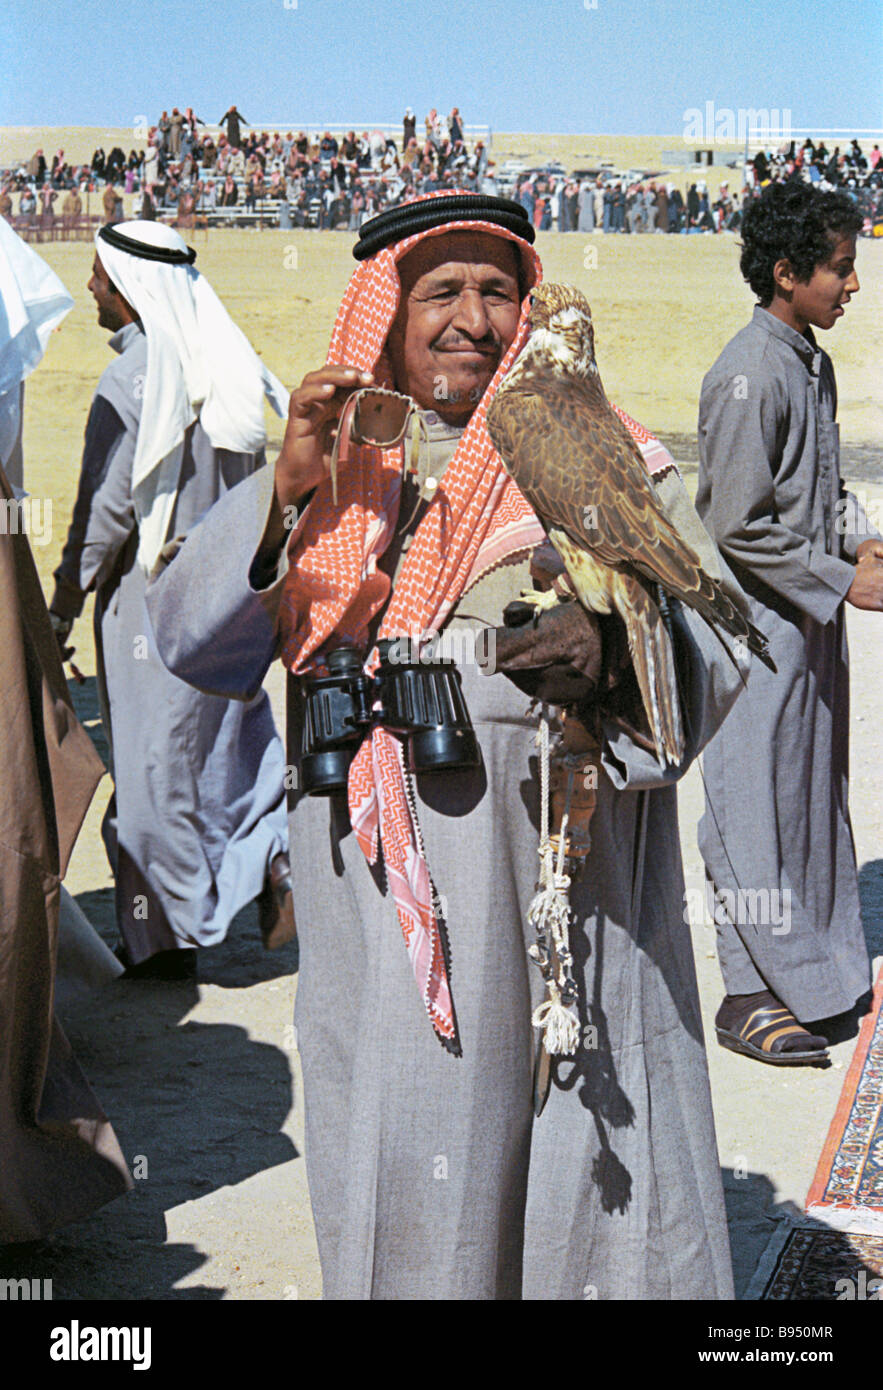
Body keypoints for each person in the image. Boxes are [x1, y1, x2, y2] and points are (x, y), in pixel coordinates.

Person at [146, 191, 752, 1299]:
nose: (472, 318)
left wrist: (613, 657)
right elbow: (186, 642)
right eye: (442, 292)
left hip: (566, 929)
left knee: (590, 1211)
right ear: (388, 313)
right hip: (379, 956)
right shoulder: (324, 473)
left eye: (497, 292)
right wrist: (283, 496)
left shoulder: (598, 451)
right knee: (408, 1211)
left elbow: (720, 648)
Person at [48, 221, 296, 977]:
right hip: (232, 599)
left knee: (156, 771)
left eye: (99, 275)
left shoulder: (130, 380)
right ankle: (270, 865)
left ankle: (165, 941)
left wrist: (60, 604)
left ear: (129, 289)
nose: (91, 287)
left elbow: (105, 513)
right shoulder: (227, 359)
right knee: (225, 751)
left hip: (152, 609)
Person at [695, 180, 882, 1065]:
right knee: (746, 805)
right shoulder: (747, 372)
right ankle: (744, 992)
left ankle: (808, 975)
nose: (853, 285)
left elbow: (817, 497)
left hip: (805, 623)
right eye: (839, 270)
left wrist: (864, 542)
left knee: (808, 799)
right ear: (784, 272)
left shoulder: (810, 360)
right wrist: (837, 581)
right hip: (754, 630)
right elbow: (735, 524)